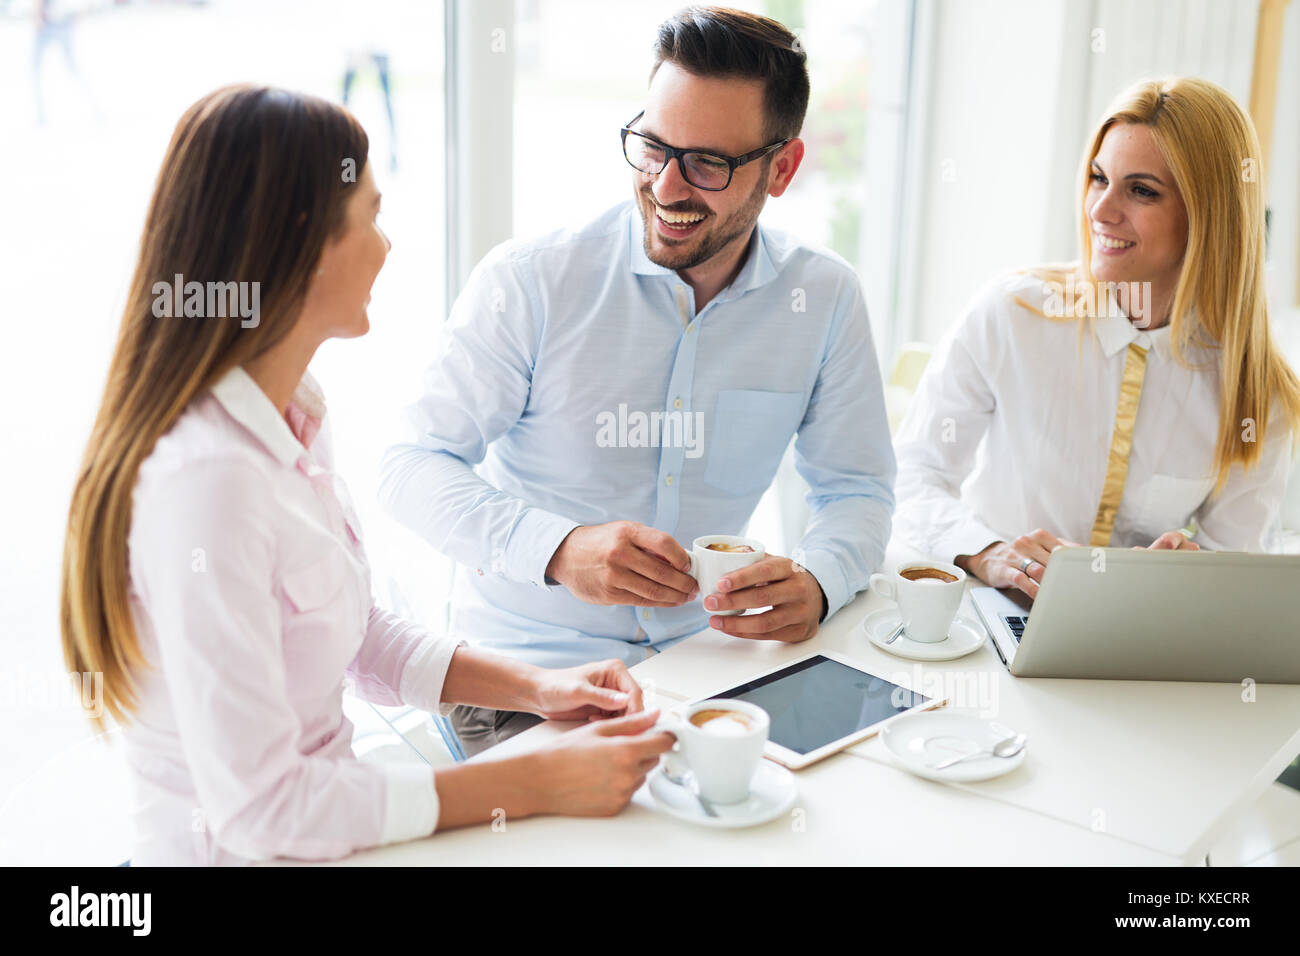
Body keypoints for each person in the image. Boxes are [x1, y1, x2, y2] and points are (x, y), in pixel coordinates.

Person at [59, 85, 673, 866]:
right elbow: (266, 811)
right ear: (305, 244)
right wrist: (534, 780)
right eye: (370, 216)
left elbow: (354, 633)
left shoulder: (293, 417)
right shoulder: (206, 485)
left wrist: (540, 688)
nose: (387, 246)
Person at [379, 6, 895, 755]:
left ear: (781, 169)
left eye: (708, 164)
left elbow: (857, 489)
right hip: (528, 684)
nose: (666, 187)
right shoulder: (534, 281)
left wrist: (820, 579)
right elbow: (409, 466)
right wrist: (556, 549)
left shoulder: (824, 300)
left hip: (712, 671)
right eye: (652, 147)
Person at [893, 76, 1300, 597]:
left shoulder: (1257, 392)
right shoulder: (1013, 313)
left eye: (1141, 191)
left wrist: (1194, 578)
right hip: (986, 618)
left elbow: (1234, 575)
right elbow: (909, 478)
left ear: (1208, 215)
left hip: (1137, 648)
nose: (1100, 211)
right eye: (1097, 178)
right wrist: (989, 552)